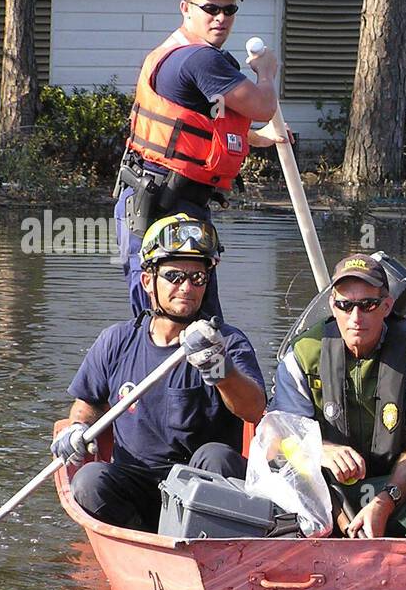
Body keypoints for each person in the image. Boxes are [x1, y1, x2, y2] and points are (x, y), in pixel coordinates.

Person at [54, 215, 267, 532]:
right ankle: (140, 539)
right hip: (136, 483)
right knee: (88, 480)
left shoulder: (227, 342)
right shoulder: (116, 340)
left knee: (217, 456)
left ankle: (202, 541)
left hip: (202, 490)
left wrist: (218, 368)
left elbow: (253, 409)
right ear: (147, 281)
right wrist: (76, 428)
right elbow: (88, 403)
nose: (186, 288)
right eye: (174, 276)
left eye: (198, 278)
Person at [114, 0, 286, 318]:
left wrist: (257, 138)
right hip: (161, 204)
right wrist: (267, 71)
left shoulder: (193, 55)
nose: (220, 18)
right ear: (186, 8)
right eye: (211, 8)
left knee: (189, 320)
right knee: (171, 319)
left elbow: (200, 128)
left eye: (229, 10)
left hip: (167, 198)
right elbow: (264, 105)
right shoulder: (200, 58)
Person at [272, 253, 406, 540]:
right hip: (325, 488)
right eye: (345, 306)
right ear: (332, 306)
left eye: (368, 305)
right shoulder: (301, 353)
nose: (355, 318)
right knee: (284, 484)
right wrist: (320, 449)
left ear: (386, 306)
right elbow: (280, 439)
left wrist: (385, 502)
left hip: (393, 486)